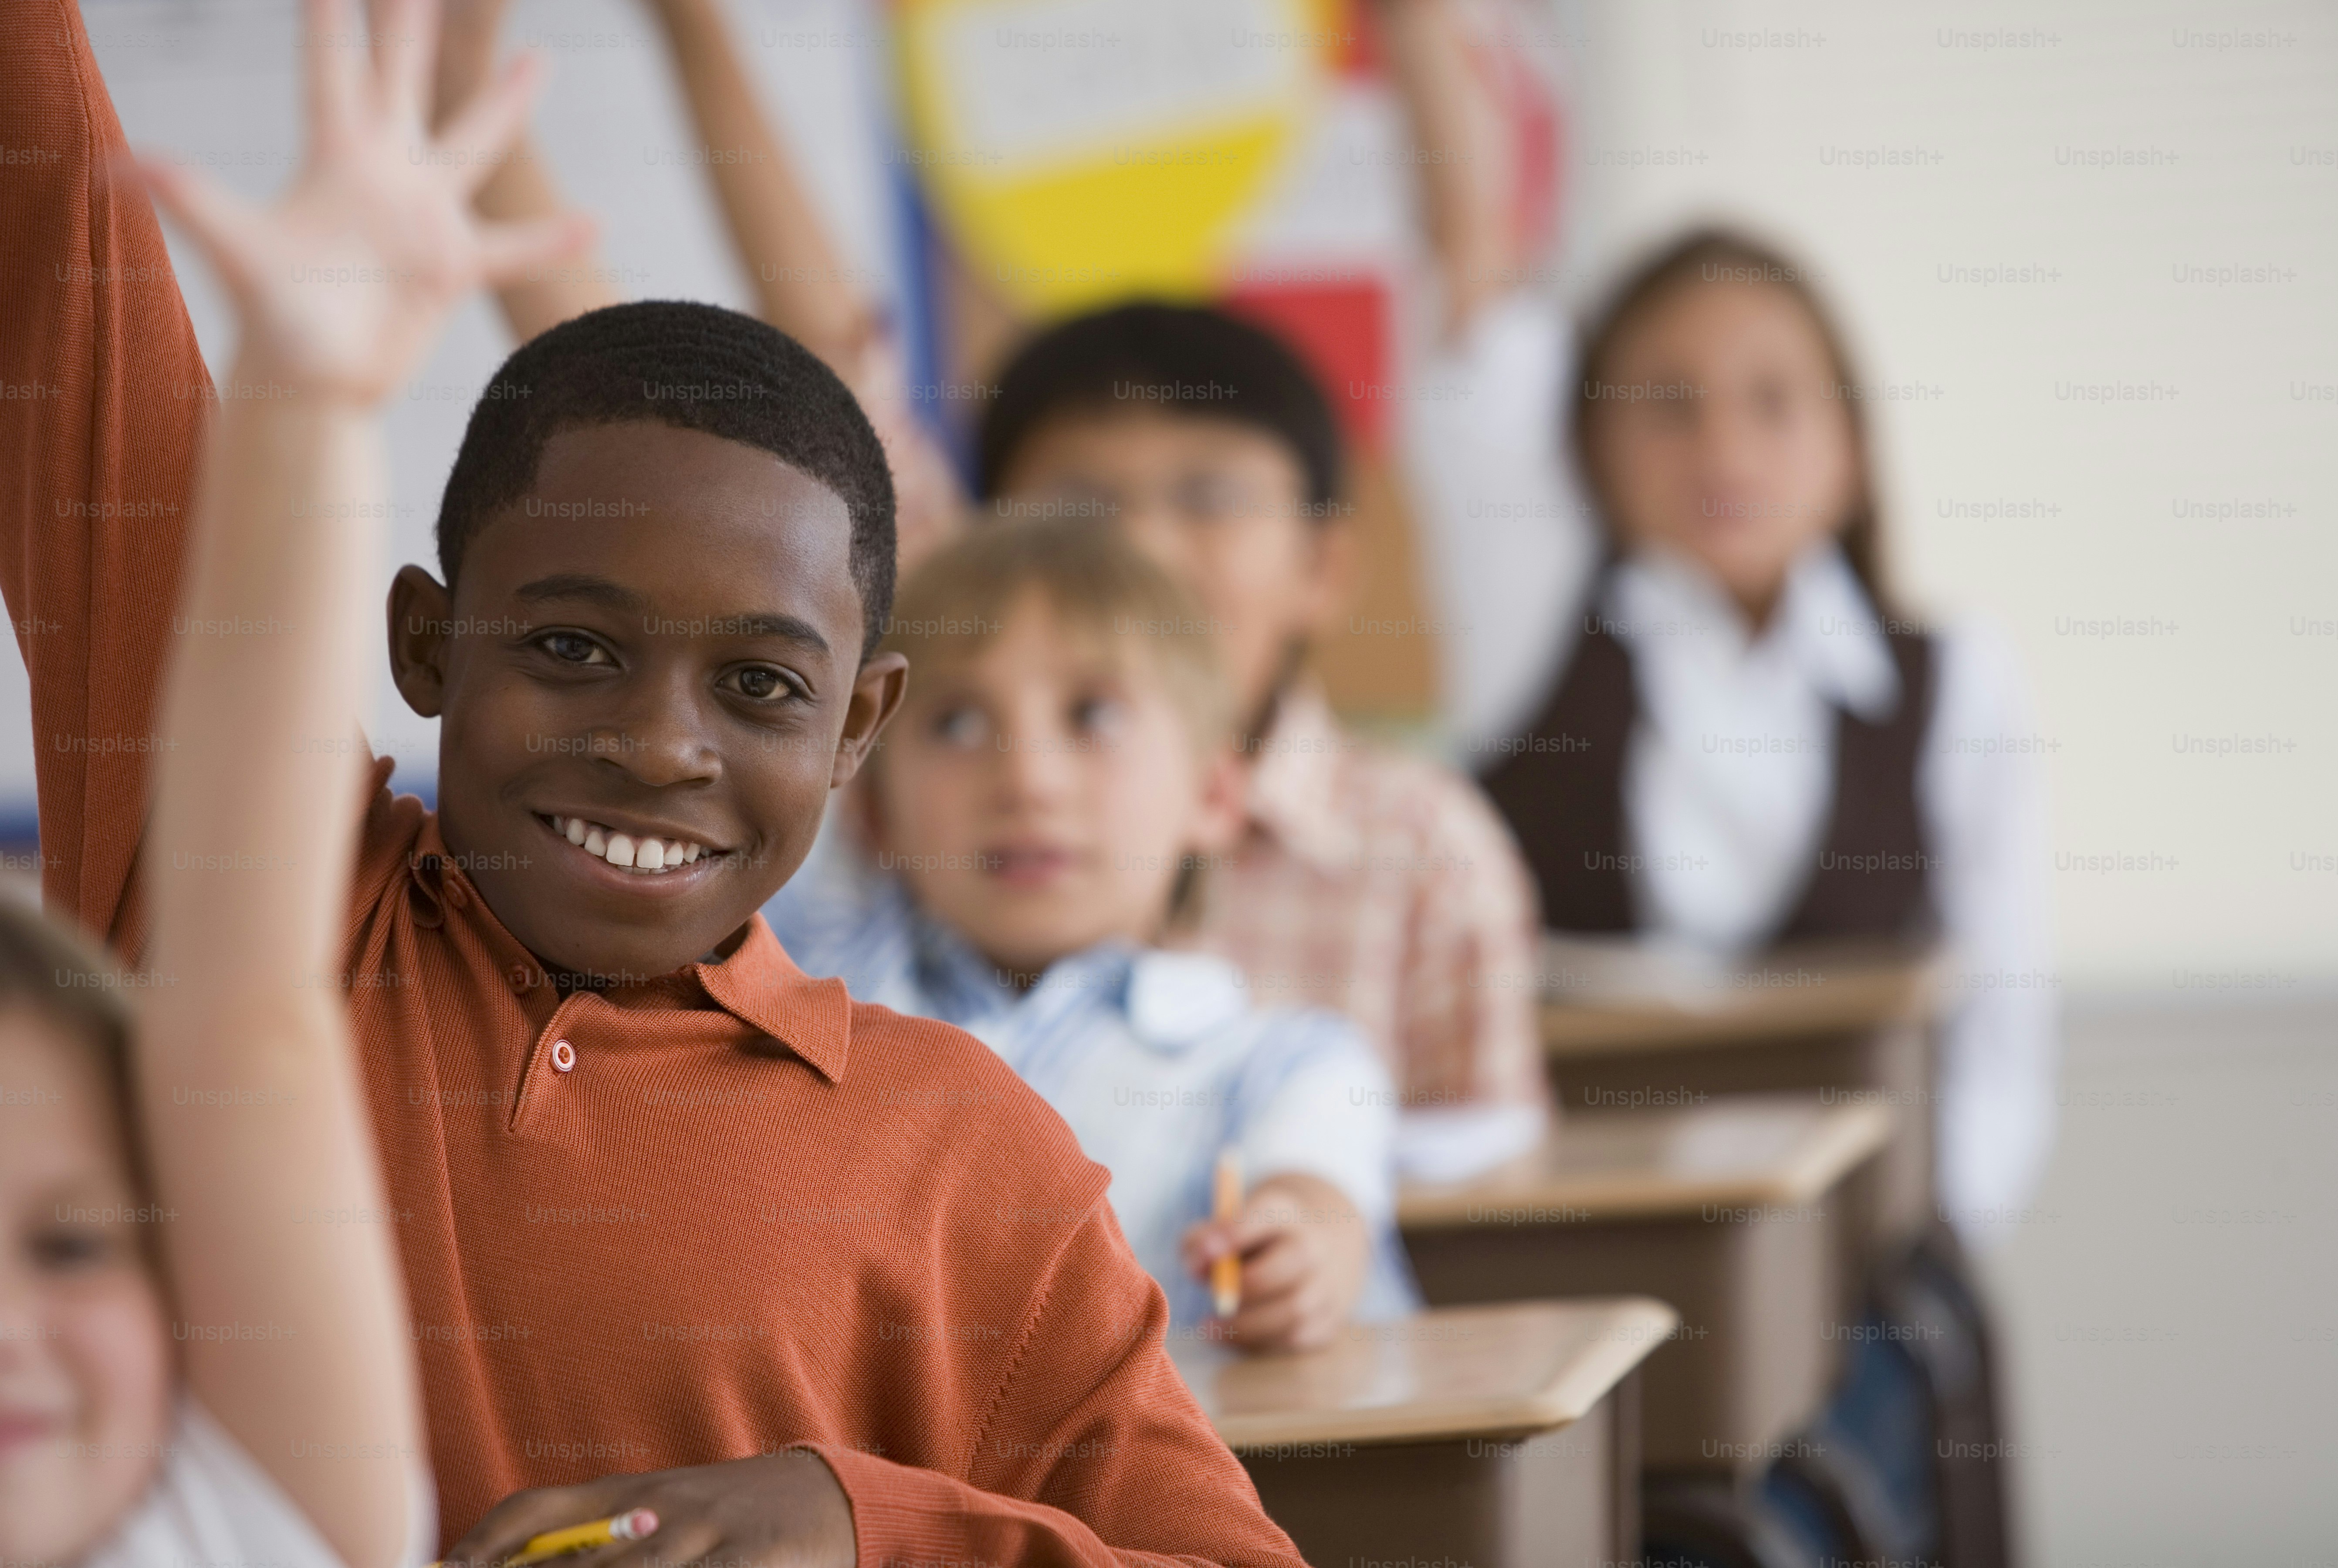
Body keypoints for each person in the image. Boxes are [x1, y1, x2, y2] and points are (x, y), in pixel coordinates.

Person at [0, 3, 1312, 1563]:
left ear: (857, 728)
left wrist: (864, 1522)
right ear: (426, 643)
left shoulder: (968, 1160)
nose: (659, 745)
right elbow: (58, 250)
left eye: (759, 686)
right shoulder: (254, 915)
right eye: (570, 646)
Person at [528, 0, 1554, 1169]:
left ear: (1323, 566)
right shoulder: (946, 718)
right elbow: (808, 362)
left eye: (1209, 501)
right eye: (1081, 508)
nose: (1144, 549)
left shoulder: (1422, 845)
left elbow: (1493, 1223)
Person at [2, 6, 466, 1560]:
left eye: (72, 1247)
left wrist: (310, 402)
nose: (9, 1330)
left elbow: (247, 1011)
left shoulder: (238, 1526)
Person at [1424, 224, 2059, 1236]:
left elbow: (2002, 1017)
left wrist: (1930, 1235)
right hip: (1580, 1248)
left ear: (1850, 447)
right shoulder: (1529, 636)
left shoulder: (1953, 676)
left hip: (1869, 1264)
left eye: (1772, 400)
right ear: (1593, 448)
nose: (1723, 448)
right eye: (1668, 406)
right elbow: (1480, 327)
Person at [773, 517, 1420, 1348]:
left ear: (1217, 796)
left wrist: (1297, 1251)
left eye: (1094, 717)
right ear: (870, 810)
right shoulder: (799, 1022)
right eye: (958, 726)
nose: (1028, 780)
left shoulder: (1282, 1061)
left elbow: (1321, 1199)